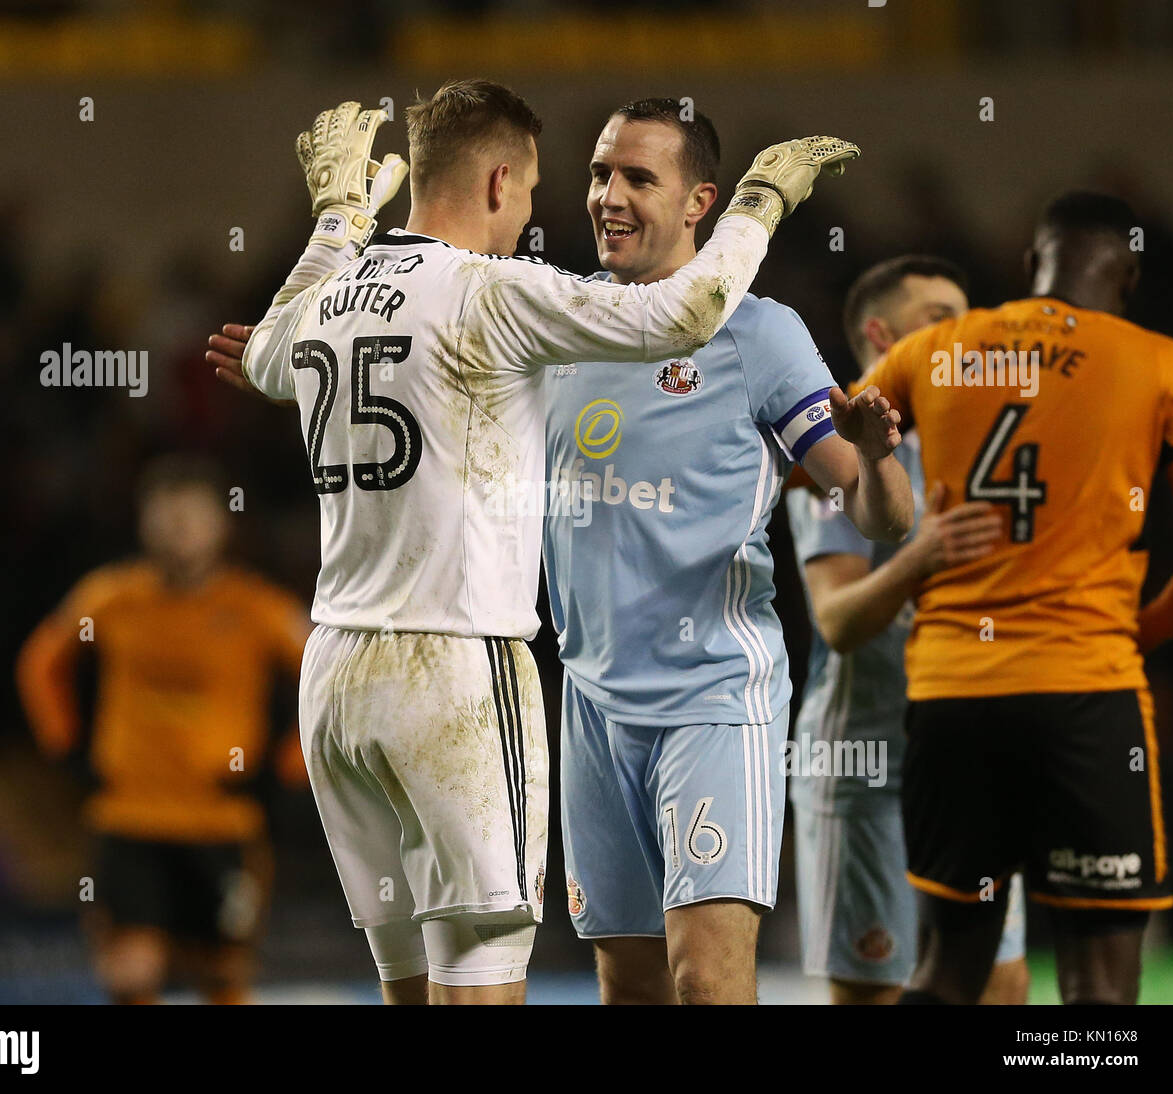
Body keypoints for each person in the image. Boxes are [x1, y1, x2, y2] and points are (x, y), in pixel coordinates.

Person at [211, 83, 860, 1004]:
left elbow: (269, 353)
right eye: (548, 187)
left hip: (336, 677)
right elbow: (685, 312)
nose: (542, 214)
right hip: (455, 663)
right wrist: (761, 203)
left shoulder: (335, 291)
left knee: (409, 983)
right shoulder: (499, 295)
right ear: (500, 180)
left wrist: (337, 215)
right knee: (482, 982)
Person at [542, 99, 913, 1005]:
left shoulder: (759, 333)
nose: (609, 196)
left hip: (713, 699)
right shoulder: (558, 322)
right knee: (628, 986)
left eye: (638, 177)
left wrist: (875, 454)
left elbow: (878, 519)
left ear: (702, 200)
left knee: (706, 979)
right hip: (590, 704)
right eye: (599, 174)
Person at [852, 193, 1173, 1004]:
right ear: (1128, 273)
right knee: (1098, 988)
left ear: (1032, 260)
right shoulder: (1158, 362)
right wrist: (1138, 632)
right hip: (1085, 692)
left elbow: (849, 467)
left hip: (952, 696)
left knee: (945, 971)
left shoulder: (934, 350)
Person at [785, 255, 1029, 1004]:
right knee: (878, 994)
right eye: (938, 322)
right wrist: (921, 553)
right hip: (867, 773)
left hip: (969, 766)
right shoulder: (837, 455)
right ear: (880, 332)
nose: (964, 339)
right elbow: (837, 621)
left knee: (1004, 987)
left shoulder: (985, 446)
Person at [16, 455, 312, 1004]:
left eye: (193, 514)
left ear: (223, 523)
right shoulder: (111, 597)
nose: (179, 528)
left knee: (222, 975)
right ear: (143, 520)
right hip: (130, 817)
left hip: (223, 822)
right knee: (131, 977)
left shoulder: (256, 608)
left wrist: (287, 767)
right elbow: (41, 664)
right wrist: (66, 748)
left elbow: (330, 680)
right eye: (166, 514)